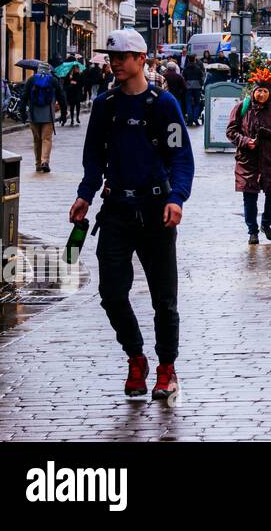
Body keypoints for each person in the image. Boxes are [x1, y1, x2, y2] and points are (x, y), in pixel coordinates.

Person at [69, 29, 194, 402]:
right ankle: (135, 356)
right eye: (111, 57)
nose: (114, 63)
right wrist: (84, 195)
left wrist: (177, 198)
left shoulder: (163, 105)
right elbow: (93, 157)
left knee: (163, 298)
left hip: (156, 211)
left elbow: (180, 157)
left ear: (141, 59)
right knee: (110, 292)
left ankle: (166, 368)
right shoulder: (105, 105)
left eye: (121, 57)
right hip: (117, 210)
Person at [225, 67, 271, 244]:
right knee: (250, 197)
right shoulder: (241, 108)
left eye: (265, 91)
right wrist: (246, 141)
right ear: (253, 92)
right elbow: (231, 132)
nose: (261, 94)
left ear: (270, 93)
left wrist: (268, 133)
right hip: (248, 161)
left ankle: (266, 224)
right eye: (258, 91)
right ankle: (252, 231)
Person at [26, 64, 65, 173]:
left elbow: (24, 96)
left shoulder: (31, 80)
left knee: (36, 140)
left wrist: (23, 114)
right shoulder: (53, 81)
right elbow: (61, 97)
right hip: (48, 115)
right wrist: (64, 113)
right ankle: (45, 161)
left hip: (33, 115)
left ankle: (38, 163)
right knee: (46, 139)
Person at [183, 53, 205, 127]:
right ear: (195, 60)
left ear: (188, 60)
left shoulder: (186, 68)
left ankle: (190, 119)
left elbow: (184, 78)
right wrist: (201, 84)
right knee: (197, 103)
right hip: (197, 87)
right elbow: (201, 77)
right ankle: (195, 118)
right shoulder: (198, 68)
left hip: (188, 87)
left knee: (188, 103)